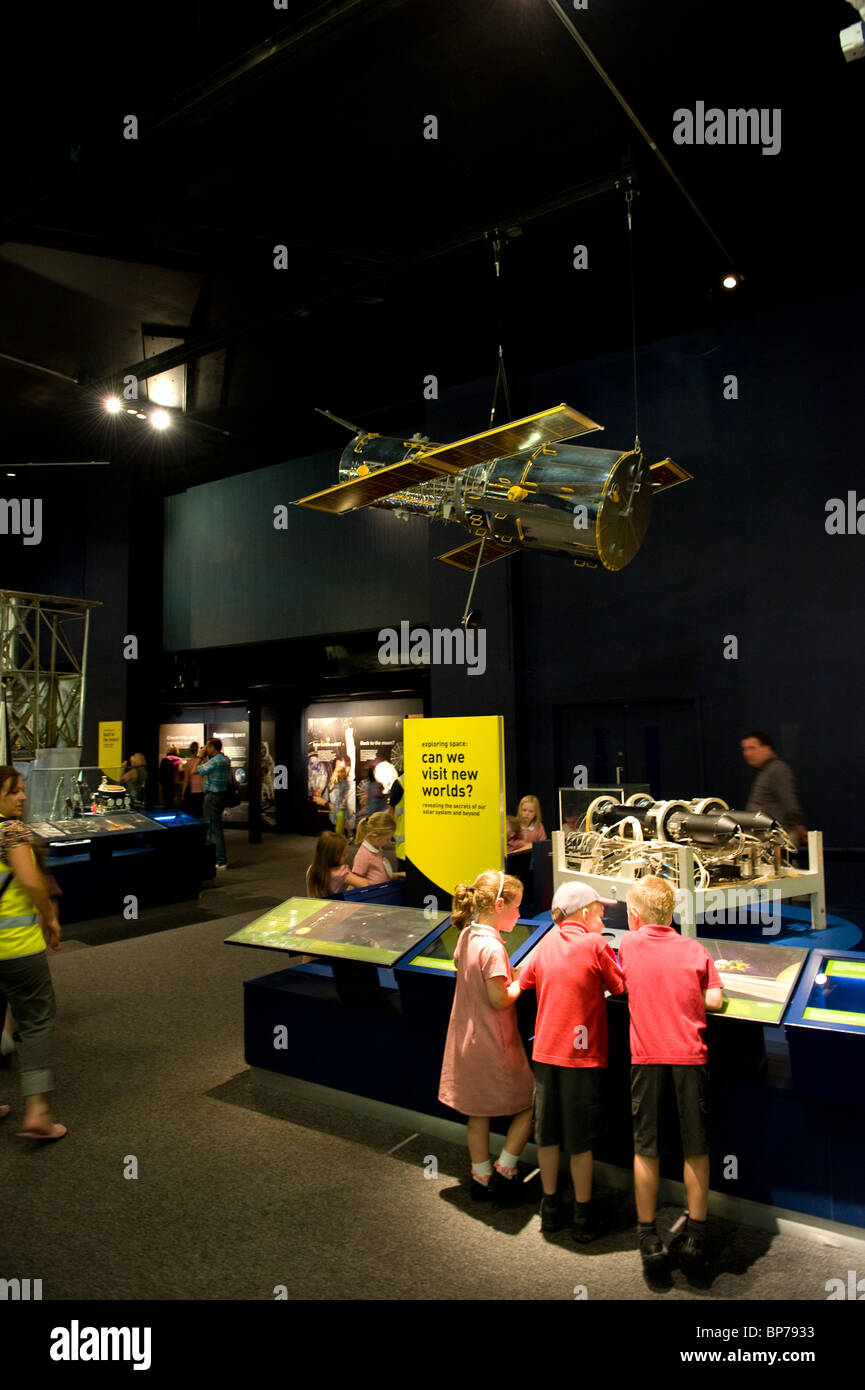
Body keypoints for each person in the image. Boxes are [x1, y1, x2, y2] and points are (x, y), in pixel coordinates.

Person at [618, 875, 724, 1276]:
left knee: (646, 1148)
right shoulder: (695, 950)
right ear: (672, 911)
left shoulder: (628, 944)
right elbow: (713, 998)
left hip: (646, 1059)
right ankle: (696, 1234)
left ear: (634, 915)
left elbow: (620, 980)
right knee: (695, 1147)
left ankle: (648, 1236)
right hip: (690, 1058)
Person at [518, 882, 624, 1239]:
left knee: (546, 1136)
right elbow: (620, 986)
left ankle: (549, 1207)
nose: (603, 915)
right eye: (598, 909)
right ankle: (582, 1212)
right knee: (580, 1141)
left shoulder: (545, 942)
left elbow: (526, 979)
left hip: (545, 1055)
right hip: (583, 1058)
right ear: (584, 913)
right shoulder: (597, 944)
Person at [438, 870, 535, 1201]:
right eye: (517, 907)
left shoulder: (467, 936)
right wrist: (522, 979)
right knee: (529, 1102)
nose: (520, 914)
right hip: (494, 1043)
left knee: (477, 1112)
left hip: (466, 1039)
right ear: (498, 905)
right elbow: (499, 998)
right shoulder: (492, 947)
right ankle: (506, 1170)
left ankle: (480, 1175)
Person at [0, 765, 65, 1140]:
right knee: (37, 1021)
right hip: (16, 949)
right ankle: (38, 1112)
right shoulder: (11, 832)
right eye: (13, 791)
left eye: (22, 790)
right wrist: (49, 917)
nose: (22, 797)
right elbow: (29, 880)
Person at [741, 730, 807, 845]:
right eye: (745, 749)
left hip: (776, 839)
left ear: (767, 749)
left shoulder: (777, 770)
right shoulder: (766, 771)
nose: (747, 753)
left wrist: (797, 825)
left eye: (752, 748)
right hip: (765, 839)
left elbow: (789, 802)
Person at [197, 738, 232, 871]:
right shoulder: (225, 759)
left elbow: (197, 770)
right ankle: (219, 858)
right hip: (221, 797)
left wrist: (200, 757)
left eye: (207, 747)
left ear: (212, 747)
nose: (206, 749)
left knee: (213, 829)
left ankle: (220, 860)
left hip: (211, 797)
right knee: (216, 828)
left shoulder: (215, 761)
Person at [307, 831, 368, 898]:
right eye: (344, 855)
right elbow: (366, 884)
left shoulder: (311, 869)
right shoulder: (341, 873)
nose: (347, 856)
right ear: (333, 856)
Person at [352, 812, 406, 884]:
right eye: (387, 839)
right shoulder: (363, 855)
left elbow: (382, 875)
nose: (389, 842)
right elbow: (354, 880)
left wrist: (400, 874)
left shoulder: (377, 849)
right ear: (375, 836)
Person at [181, 741, 205, 819]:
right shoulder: (203, 762)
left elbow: (186, 780)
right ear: (197, 749)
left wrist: (183, 793)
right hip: (202, 790)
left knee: (193, 815)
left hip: (193, 792)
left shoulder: (188, 763)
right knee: (201, 814)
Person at [327, 764, 350, 835]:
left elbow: (346, 795)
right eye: (340, 772)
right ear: (337, 773)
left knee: (344, 820)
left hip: (342, 803)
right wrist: (331, 787)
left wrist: (343, 804)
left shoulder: (345, 783)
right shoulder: (335, 782)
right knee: (338, 820)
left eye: (343, 772)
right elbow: (330, 791)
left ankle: (350, 834)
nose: (342, 773)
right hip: (336, 803)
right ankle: (341, 836)